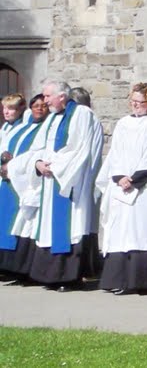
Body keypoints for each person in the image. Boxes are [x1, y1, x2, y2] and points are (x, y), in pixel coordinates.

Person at [13, 80, 104, 288]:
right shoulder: (52, 118)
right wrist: (37, 163)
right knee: (47, 228)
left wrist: (53, 166)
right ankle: (49, 276)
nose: (44, 101)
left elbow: (79, 149)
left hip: (67, 182)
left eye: (47, 96)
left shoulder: (81, 114)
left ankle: (68, 278)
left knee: (67, 228)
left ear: (61, 96)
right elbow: (39, 147)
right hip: (49, 181)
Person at [98, 82, 147, 295]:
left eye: (140, 102)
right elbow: (116, 154)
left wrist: (134, 179)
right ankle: (119, 279)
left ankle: (146, 281)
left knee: (144, 230)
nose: (135, 105)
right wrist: (119, 177)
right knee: (121, 231)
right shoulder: (123, 123)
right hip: (122, 185)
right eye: (132, 101)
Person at [0, 94, 46, 279]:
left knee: (20, 222)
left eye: (42, 105)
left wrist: (12, 167)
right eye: (35, 106)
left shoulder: (43, 129)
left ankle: (17, 266)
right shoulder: (20, 128)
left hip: (24, 182)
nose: (39, 109)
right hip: (8, 179)